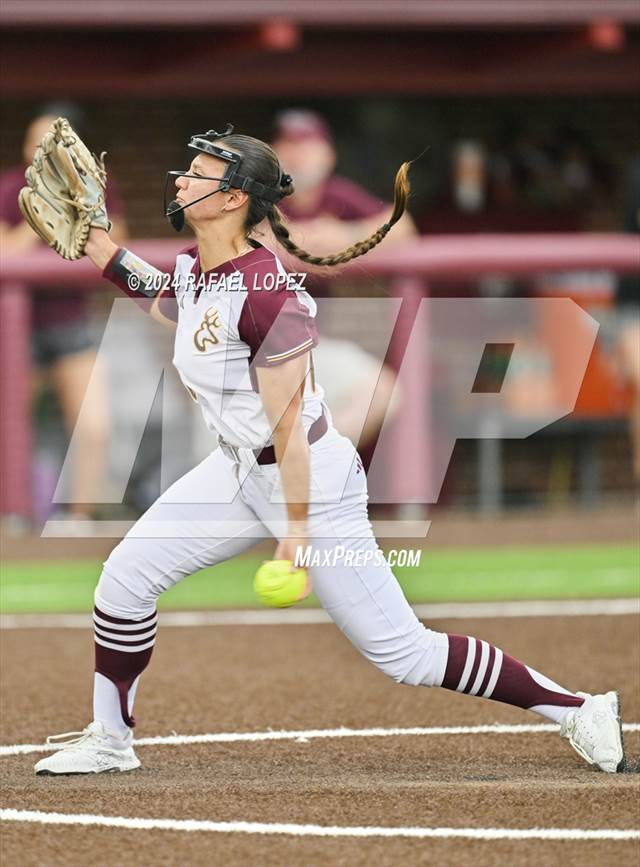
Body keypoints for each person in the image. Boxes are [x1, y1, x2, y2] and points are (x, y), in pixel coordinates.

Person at [32, 124, 626, 776]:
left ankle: (578, 708)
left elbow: (288, 426)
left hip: (308, 479)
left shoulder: (266, 292)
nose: (180, 180)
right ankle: (112, 739)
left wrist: (293, 531)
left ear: (233, 199)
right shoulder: (199, 267)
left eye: (197, 173)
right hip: (235, 469)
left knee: (405, 653)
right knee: (123, 580)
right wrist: (95, 242)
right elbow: (165, 298)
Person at [0, 104, 127, 526]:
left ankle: (78, 518)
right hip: (16, 326)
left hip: (72, 321)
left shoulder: (93, 186)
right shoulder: (11, 187)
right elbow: (6, 253)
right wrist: (43, 213)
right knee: (10, 425)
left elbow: (114, 251)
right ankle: (11, 516)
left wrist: (78, 206)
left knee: (93, 424)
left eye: (50, 141)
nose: (41, 150)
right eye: (34, 141)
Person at [269, 109, 417, 450]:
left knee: (381, 392)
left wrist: (343, 233)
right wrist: (316, 238)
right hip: (245, 349)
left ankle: (303, 461)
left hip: (307, 350)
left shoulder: (336, 195)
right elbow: (265, 241)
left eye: (308, 144)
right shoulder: (258, 192)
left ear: (328, 154)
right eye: (288, 144)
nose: (298, 154)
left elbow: (404, 229)